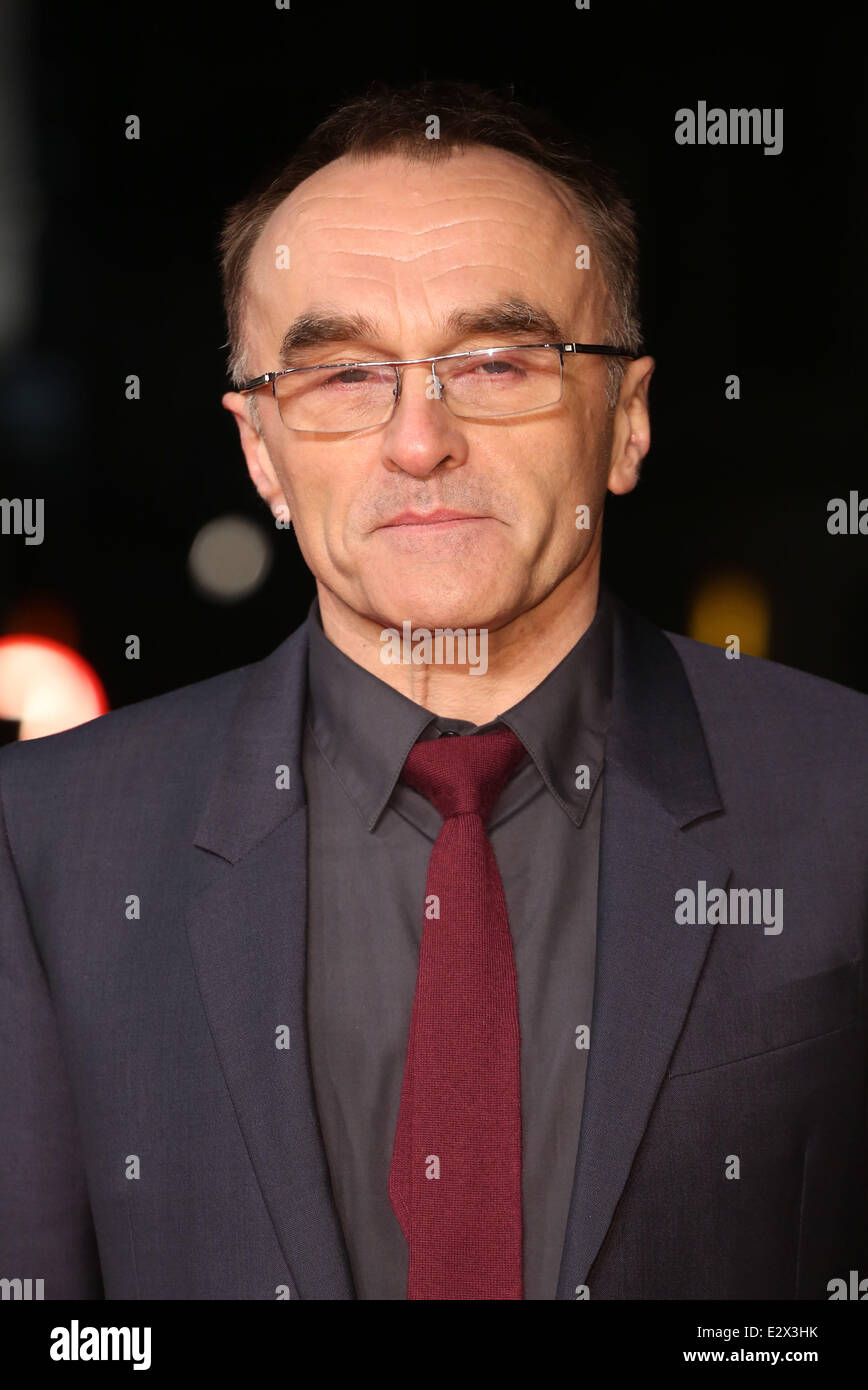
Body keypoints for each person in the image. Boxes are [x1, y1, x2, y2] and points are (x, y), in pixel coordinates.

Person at [1, 81, 865, 1301]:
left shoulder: (847, 794)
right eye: (344, 376)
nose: (419, 440)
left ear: (627, 419)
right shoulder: (45, 839)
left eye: (500, 361)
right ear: (261, 449)